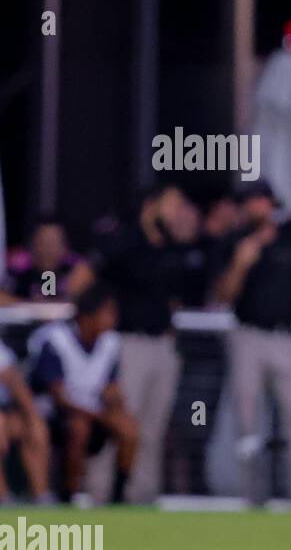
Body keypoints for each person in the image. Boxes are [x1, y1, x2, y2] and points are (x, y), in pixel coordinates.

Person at [67, 184, 200, 502]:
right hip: (126, 345)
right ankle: (99, 493)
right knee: (121, 422)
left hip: (162, 347)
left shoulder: (172, 249)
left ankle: (141, 496)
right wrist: (89, 326)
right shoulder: (123, 241)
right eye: (172, 206)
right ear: (151, 207)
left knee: (153, 429)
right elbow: (79, 281)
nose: (177, 213)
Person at [211, 181, 291, 506]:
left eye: (259, 201)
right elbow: (223, 295)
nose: (255, 208)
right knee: (248, 421)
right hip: (247, 336)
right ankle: (254, 497)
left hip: (287, 338)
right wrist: (241, 261)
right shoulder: (234, 241)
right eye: (248, 202)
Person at [28, 283, 137, 503]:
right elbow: (58, 397)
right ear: (88, 316)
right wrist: (97, 415)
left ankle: (118, 497)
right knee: (79, 428)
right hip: (55, 416)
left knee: (128, 428)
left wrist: (116, 404)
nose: (113, 319)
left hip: (93, 412)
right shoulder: (55, 339)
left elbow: (110, 387)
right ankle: (68, 496)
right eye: (108, 313)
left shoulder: (110, 342)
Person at [0, 341, 51, 503]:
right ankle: (3, 498)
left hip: (5, 411)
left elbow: (12, 379)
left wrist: (33, 416)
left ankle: (41, 497)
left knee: (34, 428)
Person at [4, 217, 82, 301]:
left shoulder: (76, 272)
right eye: (43, 242)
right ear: (32, 245)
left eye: (53, 242)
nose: (48, 249)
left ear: (64, 246)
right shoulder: (18, 273)